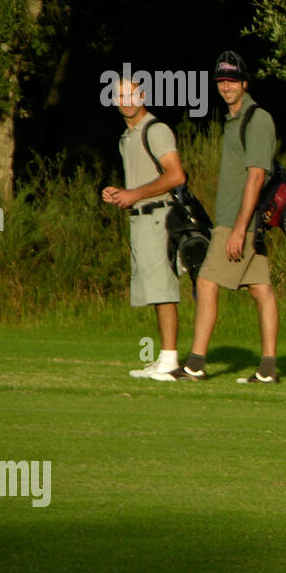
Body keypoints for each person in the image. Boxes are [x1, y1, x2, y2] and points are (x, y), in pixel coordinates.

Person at [160, 50, 280, 384]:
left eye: (232, 81)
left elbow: (256, 177)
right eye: (221, 81)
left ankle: (196, 365)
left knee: (207, 282)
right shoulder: (234, 119)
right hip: (234, 220)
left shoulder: (258, 119)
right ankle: (268, 370)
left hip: (238, 222)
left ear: (245, 82)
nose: (226, 87)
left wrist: (240, 229)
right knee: (261, 290)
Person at [102, 76, 186, 379]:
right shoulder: (127, 137)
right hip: (140, 218)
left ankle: (170, 360)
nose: (126, 100)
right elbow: (141, 181)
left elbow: (176, 175)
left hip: (157, 218)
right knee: (154, 289)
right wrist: (120, 193)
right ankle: (164, 357)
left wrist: (135, 194)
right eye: (119, 96)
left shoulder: (155, 129)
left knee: (163, 289)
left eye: (131, 94)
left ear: (144, 96)